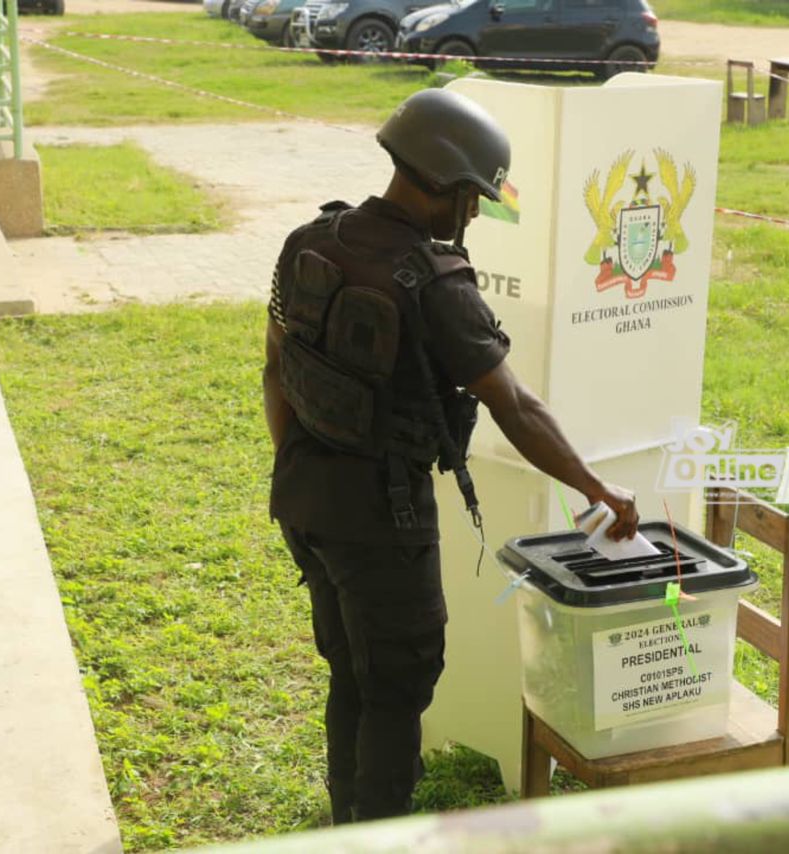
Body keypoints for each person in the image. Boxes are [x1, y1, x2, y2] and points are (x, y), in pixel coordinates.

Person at [261, 88, 639, 825]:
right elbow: (518, 408)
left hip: (304, 496)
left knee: (352, 672)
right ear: (450, 185)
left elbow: (276, 368)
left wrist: (300, 466)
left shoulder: (310, 239)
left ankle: (348, 825)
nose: (474, 213)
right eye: (474, 197)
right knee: (397, 687)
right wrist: (599, 488)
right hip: (382, 518)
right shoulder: (436, 286)